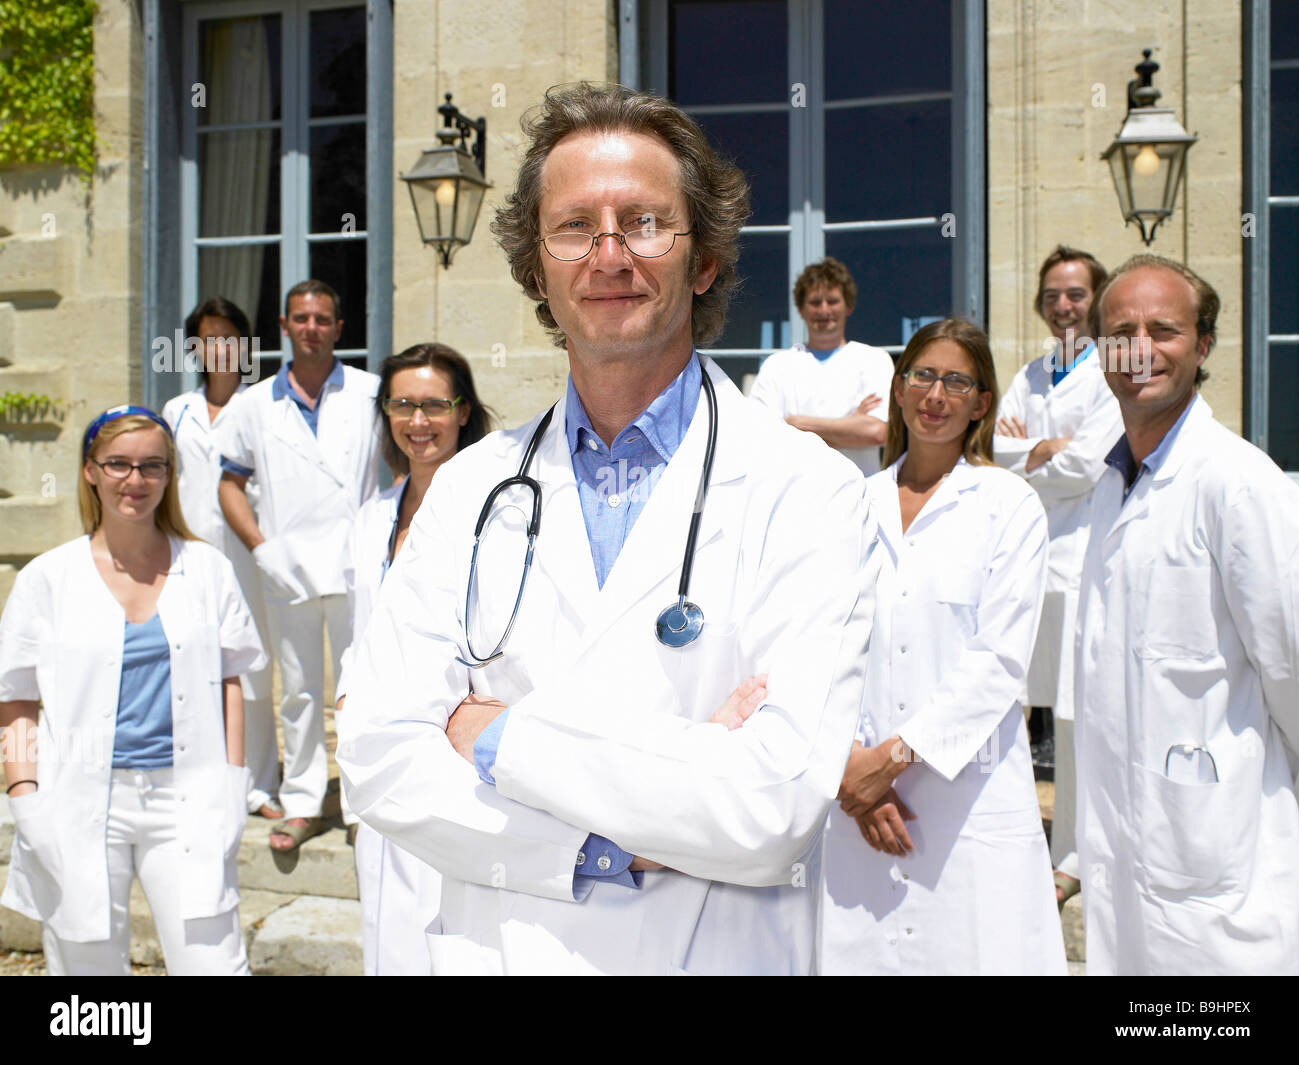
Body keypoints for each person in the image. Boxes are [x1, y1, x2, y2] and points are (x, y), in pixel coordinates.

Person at [336, 83, 877, 976]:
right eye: (575, 227)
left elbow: (771, 806)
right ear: (537, 268)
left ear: (702, 261)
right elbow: (380, 756)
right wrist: (612, 846)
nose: (610, 253)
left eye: (646, 223)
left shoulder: (805, 487)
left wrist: (496, 735)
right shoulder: (472, 486)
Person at [1075, 254, 1299, 975]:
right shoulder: (1107, 488)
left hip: (1218, 862)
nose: (1139, 347)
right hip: (1129, 858)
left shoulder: (1238, 482)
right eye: (1120, 330)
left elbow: (1292, 664)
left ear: (1203, 346)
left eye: (1164, 329)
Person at [821, 318, 1066, 975]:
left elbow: (1000, 659)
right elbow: (819, 642)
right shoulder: (848, 504)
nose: (936, 393)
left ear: (981, 403)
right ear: (898, 390)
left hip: (968, 796)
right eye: (923, 375)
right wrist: (854, 768)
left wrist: (891, 760)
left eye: (957, 380)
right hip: (856, 798)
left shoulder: (1008, 505)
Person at [0, 406, 264, 975]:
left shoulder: (209, 570)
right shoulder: (47, 578)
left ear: (170, 476)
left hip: (185, 796)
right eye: (118, 464)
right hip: (79, 797)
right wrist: (25, 795)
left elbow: (230, 681)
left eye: (152, 466)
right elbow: (17, 699)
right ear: (90, 471)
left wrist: (232, 778)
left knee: (214, 966)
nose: (135, 480)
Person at [335, 343, 493, 975]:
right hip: (381, 742)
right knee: (388, 918)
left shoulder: (494, 507)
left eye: (434, 404)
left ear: (462, 411)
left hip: (458, 742)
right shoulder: (373, 517)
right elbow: (360, 631)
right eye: (402, 404)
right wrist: (348, 698)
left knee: (453, 921)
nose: (417, 421)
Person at [217, 280, 382, 852]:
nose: (311, 327)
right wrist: (260, 547)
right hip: (285, 568)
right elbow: (229, 484)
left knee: (359, 689)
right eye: (300, 318)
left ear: (339, 328)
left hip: (355, 565)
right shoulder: (253, 404)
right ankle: (304, 800)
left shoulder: (371, 394)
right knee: (300, 692)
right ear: (284, 327)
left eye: (323, 318)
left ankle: (363, 804)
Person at [992, 245, 1121, 907]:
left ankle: (1071, 854)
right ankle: (1014, 834)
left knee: (1070, 715)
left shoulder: (1110, 371)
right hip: (1026, 560)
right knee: (1010, 704)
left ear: (1095, 300)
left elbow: (1090, 465)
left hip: (1079, 561)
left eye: (1075, 293)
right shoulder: (1032, 373)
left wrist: (1034, 454)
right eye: (1052, 294)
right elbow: (993, 449)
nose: (1063, 305)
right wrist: (1041, 452)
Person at [161, 298, 278, 821]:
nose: (219, 348)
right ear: (193, 348)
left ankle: (257, 784)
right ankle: (199, 775)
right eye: (208, 338)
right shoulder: (176, 410)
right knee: (189, 662)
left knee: (250, 666)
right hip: (186, 553)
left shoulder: (261, 406)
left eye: (228, 337)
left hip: (245, 556)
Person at [749, 257, 895, 476]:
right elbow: (762, 438)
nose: (824, 310)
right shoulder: (777, 366)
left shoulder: (874, 360)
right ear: (801, 309)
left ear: (849, 306)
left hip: (860, 496)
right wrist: (850, 426)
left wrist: (797, 424)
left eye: (833, 301)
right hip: (796, 499)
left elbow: (876, 432)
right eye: (815, 302)